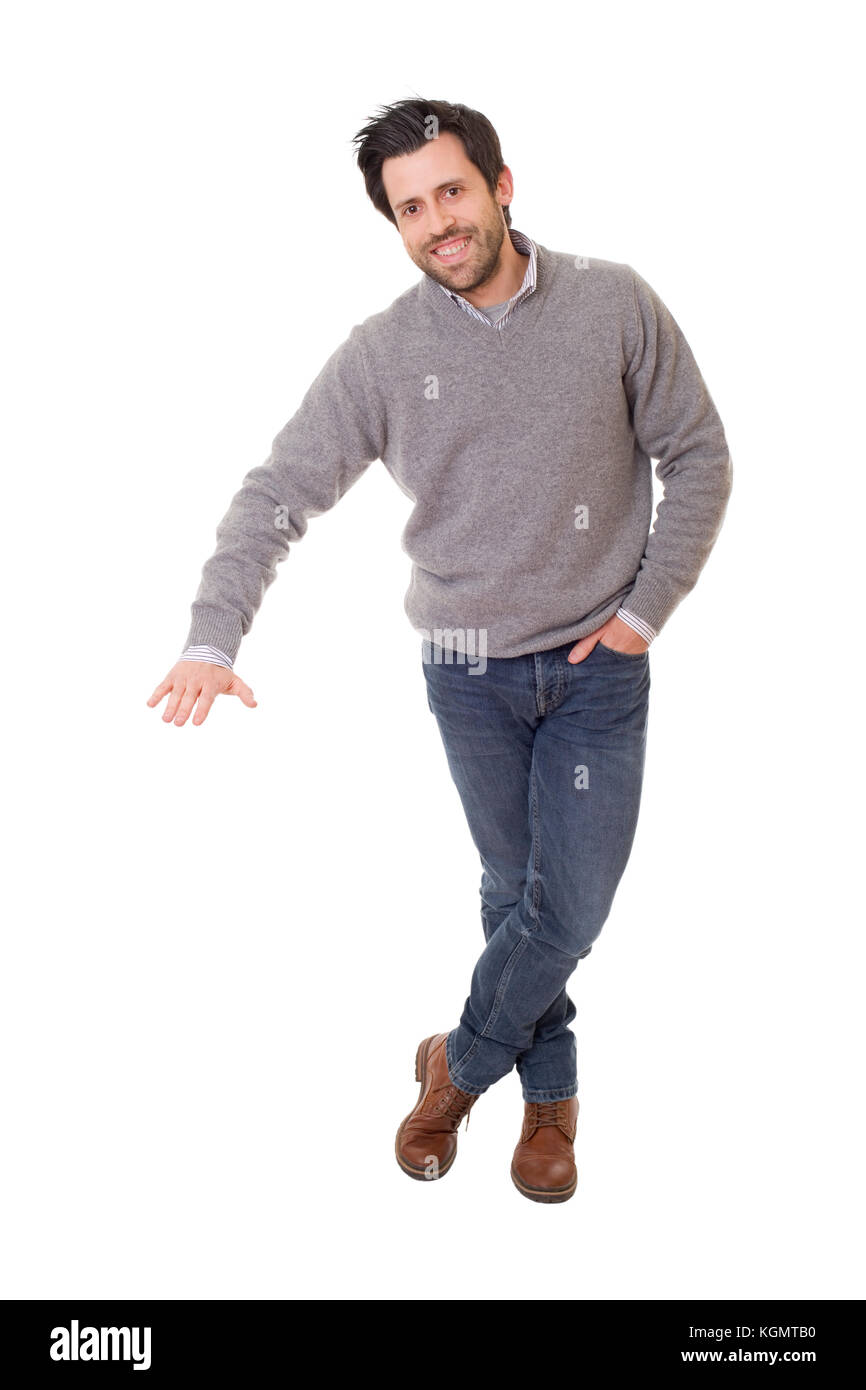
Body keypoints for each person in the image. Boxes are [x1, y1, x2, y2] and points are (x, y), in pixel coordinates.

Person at [147, 98, 733, 1203]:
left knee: (568, 906)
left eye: (450, 192)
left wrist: (639, 616)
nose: (435, 223)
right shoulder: (381, 355)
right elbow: (277, 493)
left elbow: (695, 455)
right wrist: (211, 635)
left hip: (598, 669)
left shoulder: (612, 304)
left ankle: (456, 1066)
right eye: (409, 209)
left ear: (501, 186)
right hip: (464, 669)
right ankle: (551, 1100)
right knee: (514, 886)